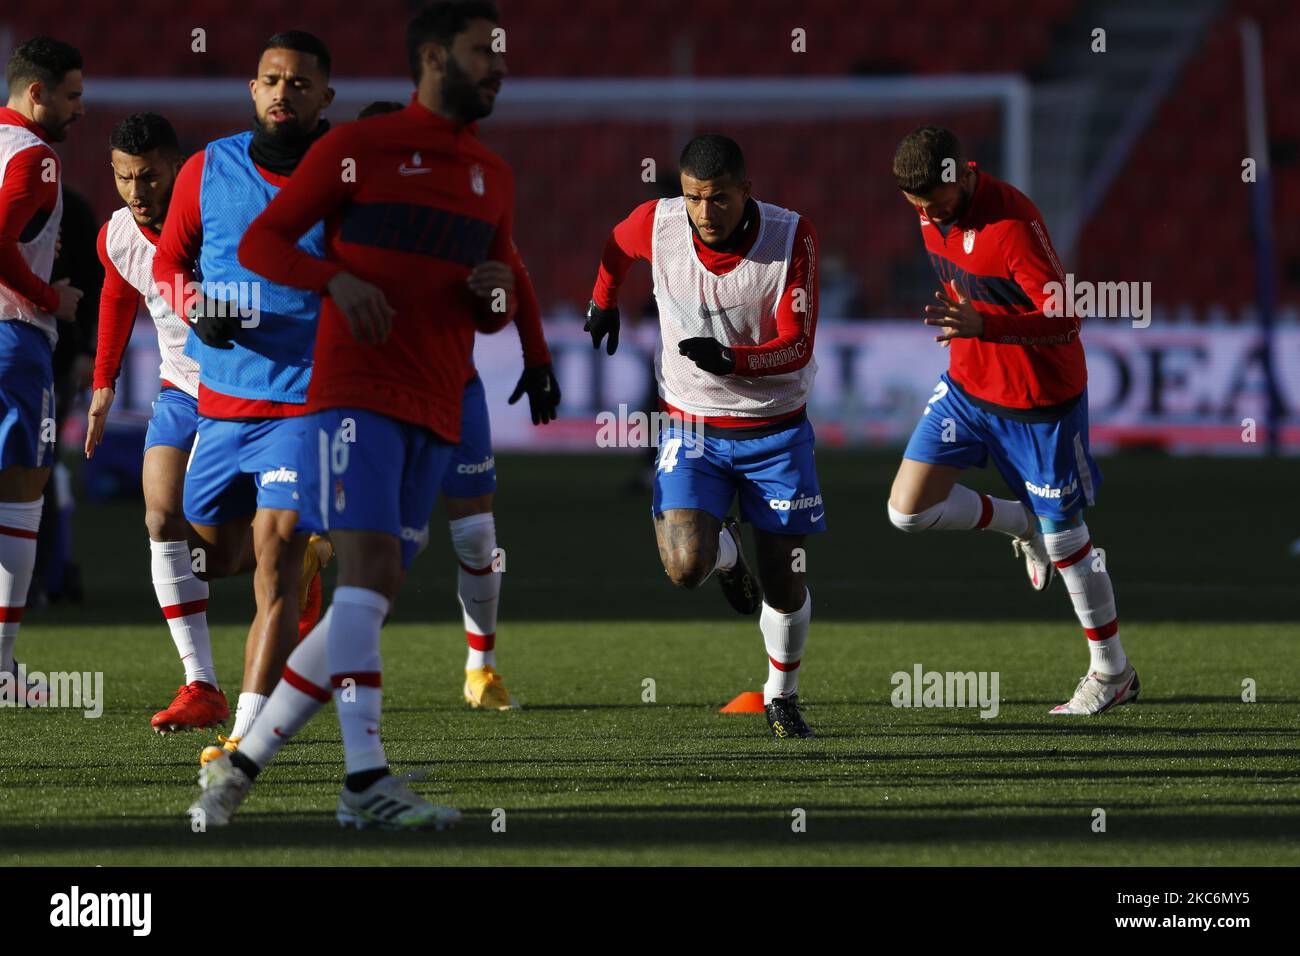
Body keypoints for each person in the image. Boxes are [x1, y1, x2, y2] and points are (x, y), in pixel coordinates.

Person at [193, 0, 522, 830]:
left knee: (364, 598)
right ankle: (361, 783)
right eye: (484, 52)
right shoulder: (356, 149)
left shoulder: (491, 174)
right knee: (356, 583)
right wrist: (331, 280)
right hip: (348, 397)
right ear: (434, 60)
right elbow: (268, 242)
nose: (500, 64)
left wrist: (498, 309)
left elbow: (490, 295)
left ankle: (245, 765)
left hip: (433, 403)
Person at [886, 126, 1137, 715]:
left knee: (1069, 537)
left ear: (963, 175)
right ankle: (1018, 523)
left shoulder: (1013, 225)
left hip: (1039, 402)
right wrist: (974, 336)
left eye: (934, 202)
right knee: (907, 512)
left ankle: (1113, 672)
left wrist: (988, 326)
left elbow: (1066, 320)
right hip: (968, 389)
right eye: (917, 205)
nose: (928, 214)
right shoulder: (930, 208)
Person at [584, 133, 823, 739]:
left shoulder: (791, 238)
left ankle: (782, 695)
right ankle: (725, 553)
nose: (705, 213)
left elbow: (799, 344)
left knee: (782, 580)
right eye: (694, 198)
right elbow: (614, 246)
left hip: (775, 429)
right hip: (689, 425)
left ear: (747, 190)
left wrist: (734, 361)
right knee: (685, 568)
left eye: (718, 199)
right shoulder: (658, 223)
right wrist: (601, 301)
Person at [151, 31, 336, 759]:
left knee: (273, 562)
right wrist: (197, 308)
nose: (281, 92)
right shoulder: (206, 168)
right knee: (215, 558)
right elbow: (169, 261)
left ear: (325, 97)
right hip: (220, 407)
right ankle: (312, 559)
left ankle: (246, 735)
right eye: (269, 79)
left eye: (297, 82)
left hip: (304, 403)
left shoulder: (348, 178)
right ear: (253, 90)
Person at [355, 98, 561, 712]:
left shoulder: (458, 209)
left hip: (453, 389)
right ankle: (333, 667)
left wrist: (538, 357)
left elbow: (511, 276)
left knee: (476, 535)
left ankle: (482, 668)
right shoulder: (338, 217)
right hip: (370, 398)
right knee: (371, 542)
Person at [86, 112, 231, 732]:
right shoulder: (116, 234)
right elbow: (120, 294)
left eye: (147, 177)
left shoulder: (219, 216)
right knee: (158, 514)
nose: (135, 192)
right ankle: (201, 684)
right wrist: (102, 385)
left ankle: (298, 562)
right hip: (179, 390)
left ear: (177, 166)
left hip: (243, 391)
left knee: (227, 549)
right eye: (123, 178)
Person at [0, 36, 83, 706]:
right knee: (21, 498)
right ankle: (1, 668)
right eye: (72, 95)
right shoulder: (36, 158)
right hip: (11, 338)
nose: (78, 109)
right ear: (37, 93)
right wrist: (53, 296)